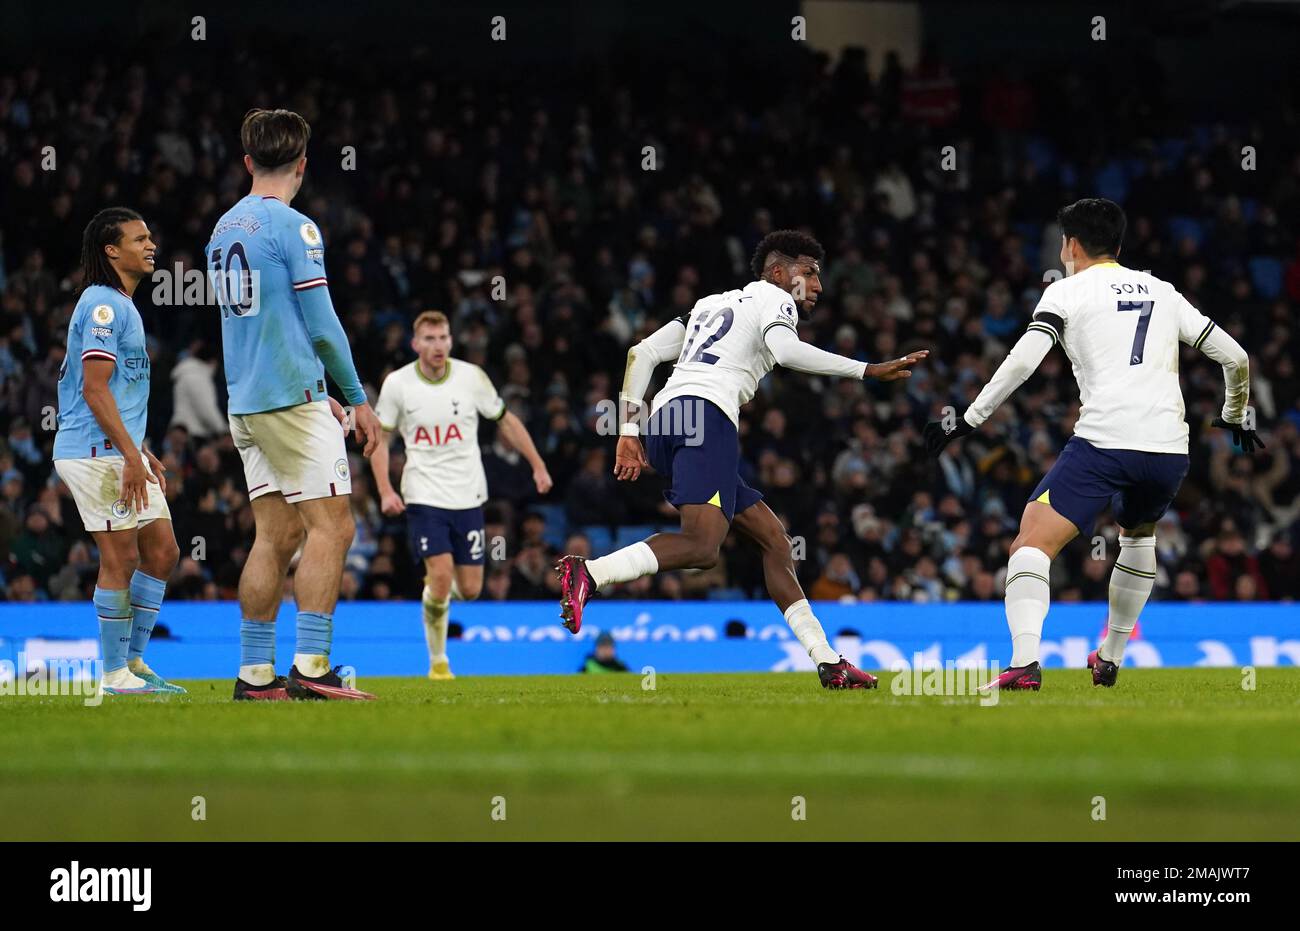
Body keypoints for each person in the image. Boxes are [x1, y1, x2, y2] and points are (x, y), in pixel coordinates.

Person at [555, 230, 927, 689]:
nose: (817, 285)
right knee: (702, 547)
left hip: (669, 419)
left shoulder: (709, 305)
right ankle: (589, 572)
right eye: (808, 273)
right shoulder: (776, 300)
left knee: (774, 540)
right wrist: (865, 370)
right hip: (707, 415)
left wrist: (628, 429)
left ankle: (829, 662)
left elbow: (643, 352)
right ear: (777, 273)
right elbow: (787, 351)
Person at [924, 198, 1263, 689]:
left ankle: (1023, 664)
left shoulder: (1067, 292)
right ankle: (1110, 656)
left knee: (1032, 541)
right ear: (1119, 245)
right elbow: (1235, 356)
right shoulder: (1163, 290)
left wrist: (969, 419)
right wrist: (1233, 415)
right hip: (1169, 449)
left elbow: (1023, 361)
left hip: (1105, 441)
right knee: (1138, 534)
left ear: (1071, 245)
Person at [206, 108, 383, 701]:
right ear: (303, 165)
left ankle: (256, 677)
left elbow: (261, 325)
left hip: (247, 402)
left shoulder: (222, 230)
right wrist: (356, 398)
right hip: (291, 401)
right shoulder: (296, 228)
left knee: (274, 537)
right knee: (333, 527)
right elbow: (323, 325)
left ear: (249, 162)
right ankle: (312, 668)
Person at [370, 310, 553, 680]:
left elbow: (506, 420)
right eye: (430, 339)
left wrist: (537, 463)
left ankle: (434, 594)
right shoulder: (398, 385)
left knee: (469, 589)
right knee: (439, 576)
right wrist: (385, 490)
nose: (438, 346)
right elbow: (380, 438)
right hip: (423, 492)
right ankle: (438, 663)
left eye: (443, 338)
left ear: (451, 341)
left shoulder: (471, 378)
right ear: (415, 344)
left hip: (468, 494)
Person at [52, 207, 183, 695]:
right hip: (91, 451)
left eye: (150, 237)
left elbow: (117, 395)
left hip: (119, 447)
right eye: (139, 238)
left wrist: (139, 449)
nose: (151, 246)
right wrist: (128, 454)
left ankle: (134, 663)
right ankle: (113, 676)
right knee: (122, 556)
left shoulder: (122, 304)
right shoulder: (104, 306)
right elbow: (94, 388)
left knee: (163, 550)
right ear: (112, 250)